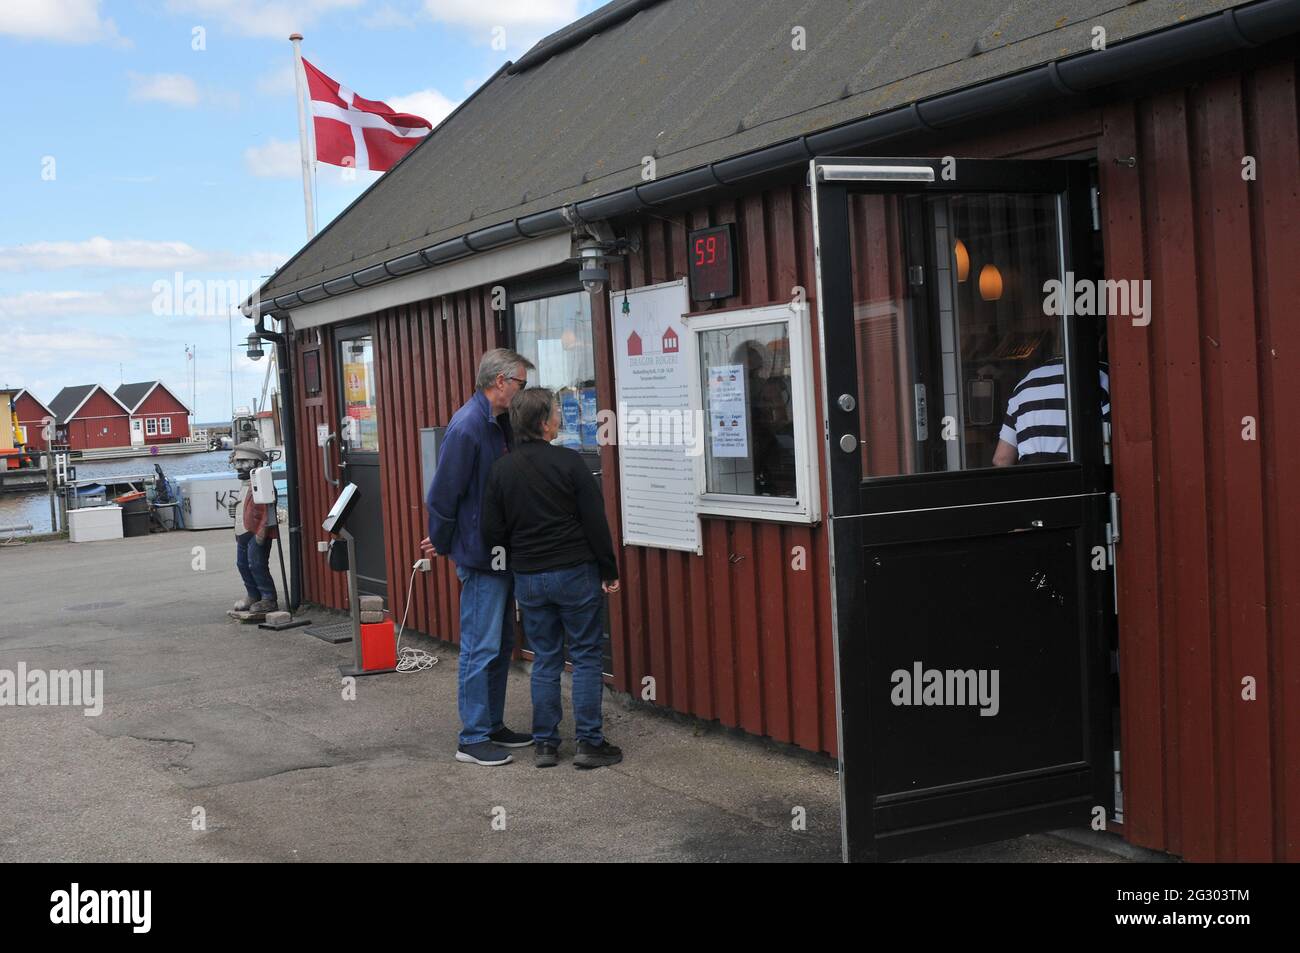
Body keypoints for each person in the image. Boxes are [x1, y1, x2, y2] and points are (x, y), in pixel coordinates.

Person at [481, 387, 622, 770]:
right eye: (556, 413)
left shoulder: (501, 470)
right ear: (544, 423)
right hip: (575, 571)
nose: (560, 419)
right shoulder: (570, 462)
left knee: (545, 657)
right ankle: (590, 743)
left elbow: (492, 532)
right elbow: (596, 521)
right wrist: (608, 569)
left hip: (529, 576)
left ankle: (545, 744)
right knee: (586, 655)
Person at [421, 348, 535, 767]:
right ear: (500, 381)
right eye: (521, 384)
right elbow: (442, 495)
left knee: (502, 643)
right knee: (480, 646)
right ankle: (471, 738)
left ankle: (491, 724)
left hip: (500, 553)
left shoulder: (497, 423)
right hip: (480, 556)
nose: (523, 392)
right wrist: (447, 541)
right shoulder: (468, 426)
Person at [992, 357, 1111, 466]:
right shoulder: (1102, 374)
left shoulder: (1023, 384)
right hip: (1080, 478)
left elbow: (1002, 459)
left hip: (1031, 481)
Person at [231, 442, 277, 614]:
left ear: (257, 464)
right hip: (242, 531)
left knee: (256, 564)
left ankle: (268, 597)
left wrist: (262, 531)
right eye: (237, 462)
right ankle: (253, 594)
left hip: (255, 532)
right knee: (242, 564)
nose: (239, 467)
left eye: (244, 462)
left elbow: (267, 509)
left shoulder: (262, 484)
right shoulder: (245, 485)